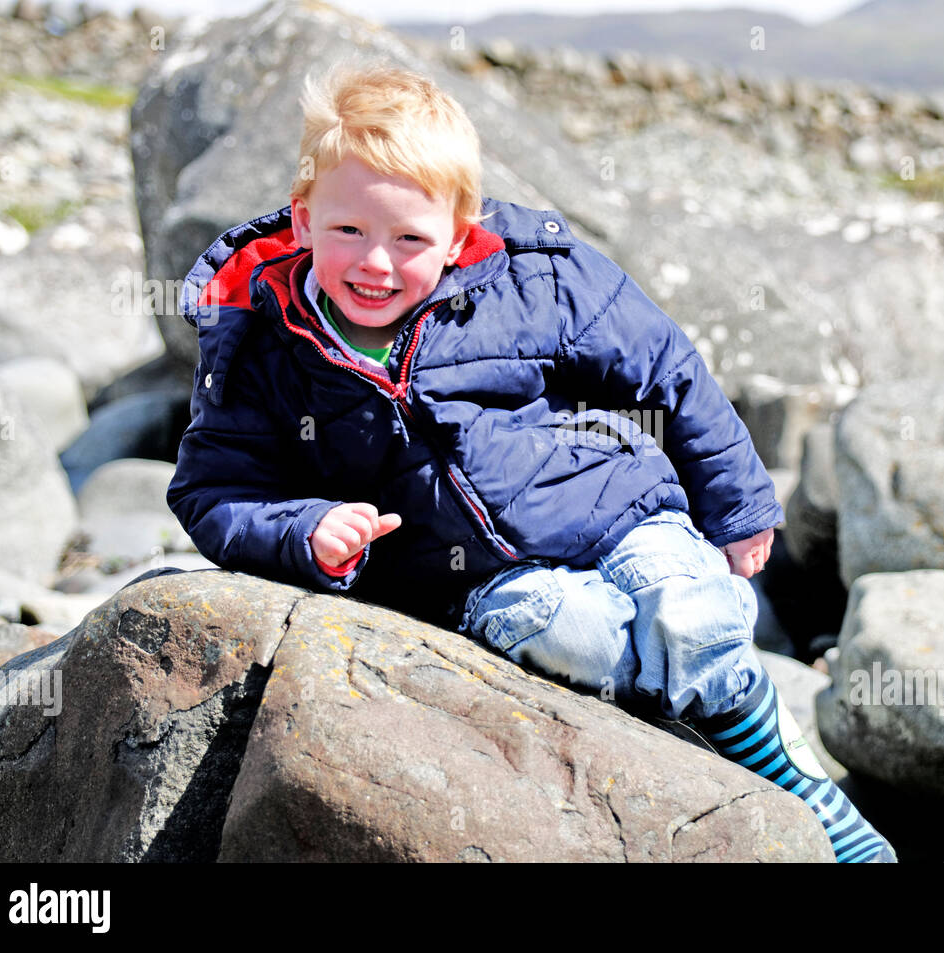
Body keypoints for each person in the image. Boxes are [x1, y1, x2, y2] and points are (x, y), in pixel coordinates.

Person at [166, 62, 896, 863]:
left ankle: (790, 780)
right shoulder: (263, 344)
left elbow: (665, 366)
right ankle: (712, 756)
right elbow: (212, 489)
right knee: (577, 637)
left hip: (613, 505)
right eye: (349, 231)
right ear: (302, 221)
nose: (376, 262)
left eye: (410, 238)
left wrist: (740, 502)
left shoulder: (529, 277)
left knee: (694, 614)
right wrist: (305, 529)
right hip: (472, 580)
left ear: (458, 231)